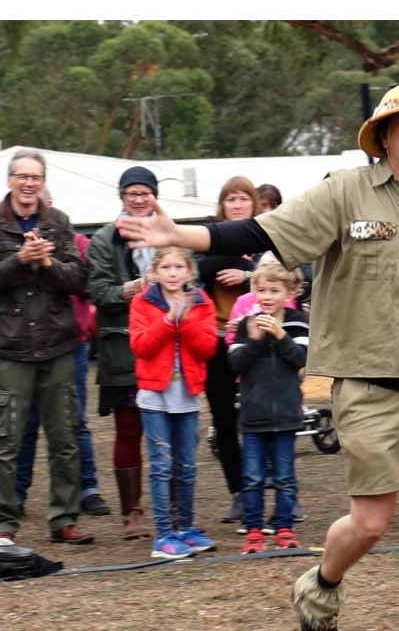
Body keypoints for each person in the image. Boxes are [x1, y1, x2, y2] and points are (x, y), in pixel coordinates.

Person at [115, 83, 399, 631]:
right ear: (383, 135)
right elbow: (263, 231)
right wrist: (181, 233)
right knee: (372, 522)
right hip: (369, 383)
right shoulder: (345, 193)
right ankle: (322, 585)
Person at [0, 149, 93, 544]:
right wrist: (20, 259)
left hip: (57, 345)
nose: (28, 183)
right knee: (4, 441)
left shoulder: (58, 223)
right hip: (8, 348)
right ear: (9, 180)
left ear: (43, 182)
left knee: (64, 438)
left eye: (36, 177)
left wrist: (47, 265)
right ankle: (3, 525)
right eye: (22, 176)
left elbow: (77, 279)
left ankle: (64, 520)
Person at [15, 186, 109, 517]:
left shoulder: (78, 242)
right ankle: (16, 495)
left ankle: (88, 487)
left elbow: (86, 283)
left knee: (74, 421)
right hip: (25, 348)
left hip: (71, 344)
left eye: (46, 204)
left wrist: (48, 260)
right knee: (26, 423)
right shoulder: (11, 241)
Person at [129, 246, 217, 559]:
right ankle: (164, 536)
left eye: (179, 267)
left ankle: (186, 529)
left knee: (187, 466)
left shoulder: (202, 303)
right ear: (153, 272)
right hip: (154, 397)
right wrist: (168, 319)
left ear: (189, 272)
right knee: (162, 466)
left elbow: (207, 347)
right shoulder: (142, 302)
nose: (172, 273)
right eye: (165, 267)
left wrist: (187, 317)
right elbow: (141, 346)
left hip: (188, 396)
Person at [86, 167, 159, 540]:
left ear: (155, 197)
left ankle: (174, 506)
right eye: (132, 192)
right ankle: (132, 513)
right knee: (128, 428)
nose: (139, 198)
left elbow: (190, 277)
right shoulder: (103, 239)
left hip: (168, 347)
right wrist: (135, 287)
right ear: (122, 197)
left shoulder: (170, 232)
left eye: (145, 192)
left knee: (170, 429)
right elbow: (97, 290)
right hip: (124, 346)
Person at [228, 259, 308, 554]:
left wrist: (279, 334)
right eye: (261, 290)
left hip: (286, 414)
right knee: (251, 478)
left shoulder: (298, 321)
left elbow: (301, 359)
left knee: (285, 477)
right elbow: (235, 363)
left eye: (274, 290)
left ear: (288, 293)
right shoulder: (246, 326)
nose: (266, 296)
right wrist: (256, 340)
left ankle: (284, 527)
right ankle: (253, 530)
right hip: (253, 415)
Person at [194, 177, 259, 524]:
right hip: (215, 339)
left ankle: (274, 490)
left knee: (261, 417)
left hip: (256, 339)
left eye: (242, 199)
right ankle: (239, 493)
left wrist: (247, 274)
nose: (236, 204)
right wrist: (231, 257)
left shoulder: (267, 236)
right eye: (230, 199)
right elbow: (191, 270)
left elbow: (288, 278)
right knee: (223, 419)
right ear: (222, 206)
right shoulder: (208, 238)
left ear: (253, 204)